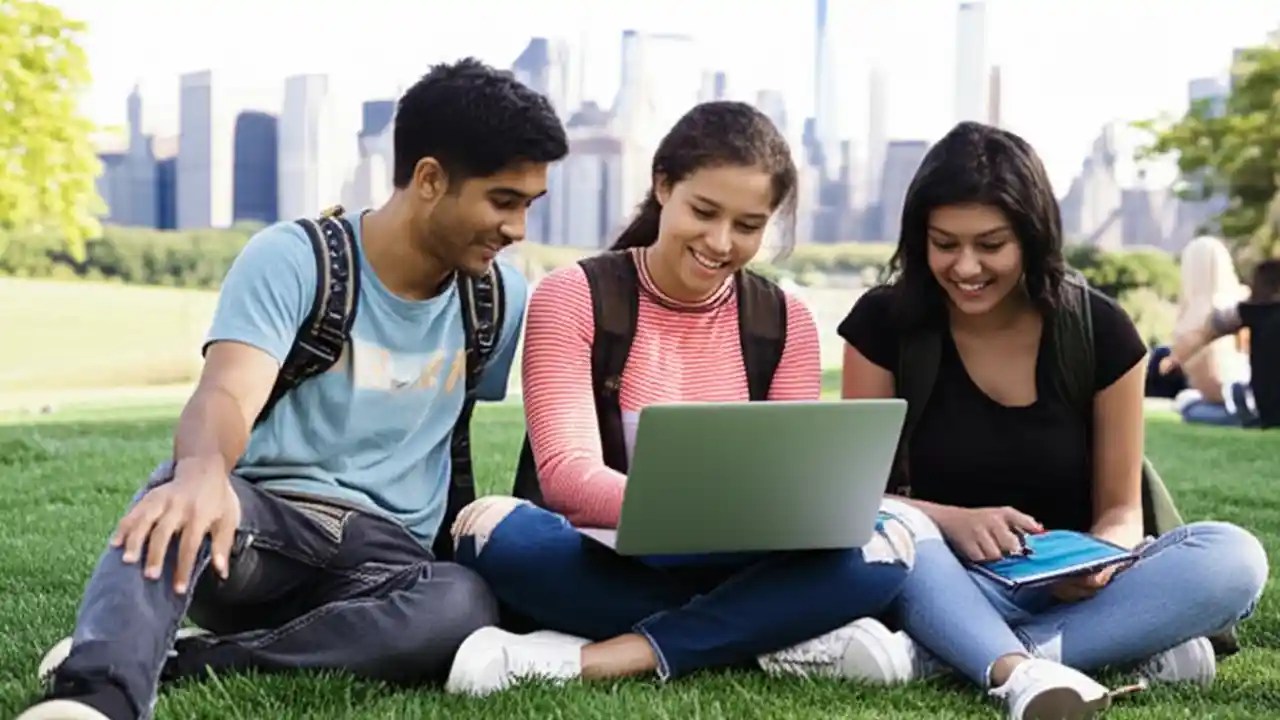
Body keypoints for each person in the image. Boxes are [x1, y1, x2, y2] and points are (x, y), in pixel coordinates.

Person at [19, 58, 568, 720]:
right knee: (178, 494)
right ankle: (99, 692)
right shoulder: (296, 258)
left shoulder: (498, 299)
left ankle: (202, 659)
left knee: (461, 605)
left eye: (529, 206)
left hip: (388, 561)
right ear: (429, 179)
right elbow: (226, 393)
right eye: (503, 201)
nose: (518, 230)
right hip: (262, 532)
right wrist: (199, 472)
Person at [440, 101, 915, 697]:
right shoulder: (574, 295)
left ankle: (602, 656)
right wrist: (720, 520)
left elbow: (799, 490)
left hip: (741, 557)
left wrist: (754, 523)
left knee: (889, 548)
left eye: (747, 226)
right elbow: (567, 478)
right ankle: (783, 630)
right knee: (498, 537)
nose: (720, 242)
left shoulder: (784, 320)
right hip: (601, 552)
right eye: (704, 212)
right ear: (663, 186)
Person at [830, 122, 1269, 718]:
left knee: (1234, 556)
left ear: (1032, 239)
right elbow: (860, 500)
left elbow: (1120, 510)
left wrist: (1098, 560)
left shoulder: (1102, 331)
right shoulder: (883, 325)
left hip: (1068, 585)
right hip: (939, 574)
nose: (965, 267)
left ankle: (952, 657)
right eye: (944, 243)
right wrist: (952, 522)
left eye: (991, 245)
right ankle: (1109, 648)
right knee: (903, 546)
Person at [1163, 258, 1280, 429]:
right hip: (1265, 410)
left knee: (1189, 406)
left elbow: (1205, 332)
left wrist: (1173, 358)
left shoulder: (1251, 311)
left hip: (1268, 413)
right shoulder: (1252, 311)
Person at [1154, 235, 1251, 424]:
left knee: (1187, 404)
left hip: (1222, 399)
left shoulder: (1188, 318)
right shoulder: (1241, 302)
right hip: (1244, 395)